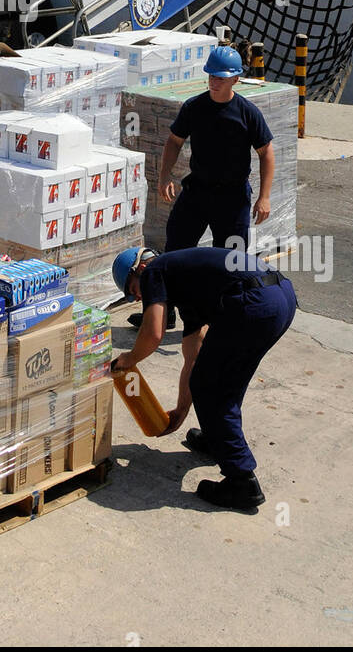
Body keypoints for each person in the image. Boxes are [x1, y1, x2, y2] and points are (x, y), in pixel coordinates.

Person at [110, 245, 297, 511]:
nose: (139, 298)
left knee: (212, 388)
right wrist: (181, 410)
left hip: (254, 302)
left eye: (133, 291)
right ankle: (216, 438)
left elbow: (153, 333)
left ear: (139, 269)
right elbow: (193, 356)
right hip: (280, 297)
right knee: (223, 378)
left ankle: (241, 481)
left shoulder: (154, 271)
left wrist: (129, 358)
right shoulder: (186, 283)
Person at [128, 44, 274, 332]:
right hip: (197, 193)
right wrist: (164, 176)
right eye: (211, 76)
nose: (214, 82)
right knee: (173, 253)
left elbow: (266, 153)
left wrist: (264, 197)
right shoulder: (194, 108)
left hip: (232, 198)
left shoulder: (247, 113)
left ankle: (228, 318)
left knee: (231, 260)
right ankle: (163, 312)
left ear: (235, 79)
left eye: (221, 78)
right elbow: (173, 141)